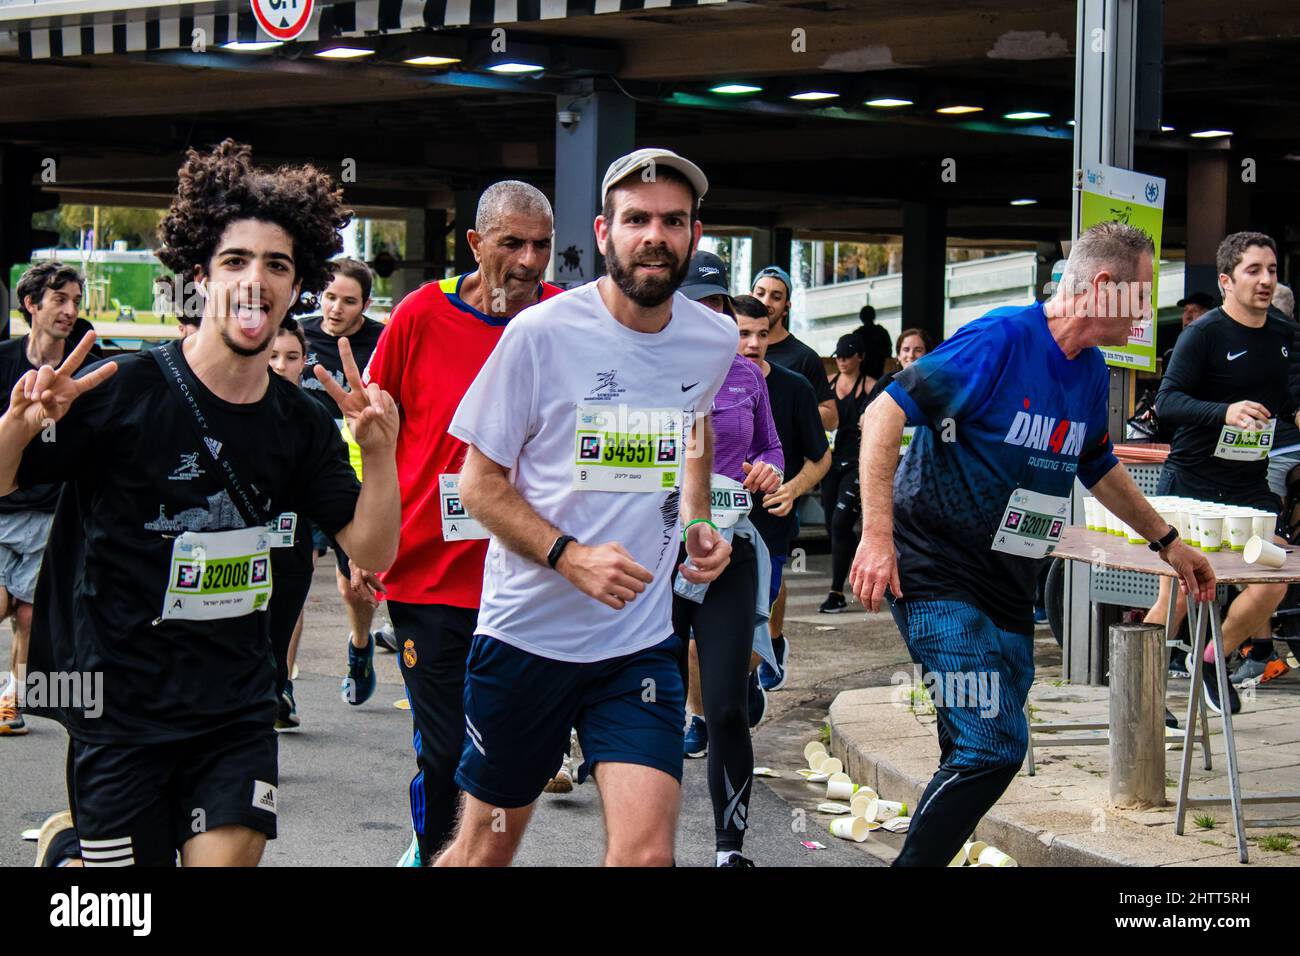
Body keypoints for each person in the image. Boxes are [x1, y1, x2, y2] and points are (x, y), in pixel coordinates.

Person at [3, 139, 400, 867]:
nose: (257, 280)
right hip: (117, 705)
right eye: (235, 261)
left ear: (298, 285)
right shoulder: (119, 390)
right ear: (199, 276)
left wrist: (378, 453)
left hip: (236, 705)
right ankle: (75, 860)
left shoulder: (301, 420)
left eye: (277, 265)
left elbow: (372, 552)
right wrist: (17, 428)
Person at [849, 221, 1215, 867]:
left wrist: (1168, 543)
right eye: (1142, 294)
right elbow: (884, 411)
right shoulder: (1000, 339)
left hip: (1009, 585)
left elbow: (1096, 464)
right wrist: (876, 537)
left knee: (971, 743)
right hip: (936, 573)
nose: (1147, 312)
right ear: (1104, 286)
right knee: (992, 745)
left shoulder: (1091, 370)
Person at [435, 147, 736, 867]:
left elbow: (693, 425)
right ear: (604, 233)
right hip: (525, 642)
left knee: (647, 856)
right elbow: (478, 485)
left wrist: (697, 518)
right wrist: (569, 557)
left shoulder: (714, 338)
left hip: (637, 644)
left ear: (695, 234)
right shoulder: (540, 335)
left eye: (672, 220)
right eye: (636, 220)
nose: (654, 235)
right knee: (484, 852)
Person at [362, 180, 562, 867]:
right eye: (513, 243)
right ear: (477, 245)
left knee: (504, 748)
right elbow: (375, 432)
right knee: (446, 749)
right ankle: (432, 851)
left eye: (541, 244)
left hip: (531, 577)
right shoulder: (420, 315)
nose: (530, 260)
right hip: (427, 575)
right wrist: (361, 531)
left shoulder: (565, 319)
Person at [1146, 232, 1299, 713]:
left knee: (1275, 578)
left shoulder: (1285, 335)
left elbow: (1293, 401)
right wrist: (1224, 412)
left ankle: (1212, 658)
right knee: (1177, 594)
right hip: (1191, 480)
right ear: (1226, 280)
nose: (1266, 280)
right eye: (1254, 270)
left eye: (1272, 270)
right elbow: (1166, 403)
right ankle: (1141, 697)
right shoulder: (1203, 333)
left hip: (1248, 481)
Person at [673, 264, 783, 867]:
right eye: (700, 305)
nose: (713, 318)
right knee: (654, 701)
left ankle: (728, 849)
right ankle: (644, 844)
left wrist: (768, 468)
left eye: (720, 305)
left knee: (725, 705)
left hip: (730, 548)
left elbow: (771, 446)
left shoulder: (748, 375)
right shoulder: (648, 371)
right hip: (660, 554)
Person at [299, 258, 394, 703]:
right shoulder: (296, 334)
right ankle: (279, 685)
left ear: (366, 304)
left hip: (352, 476)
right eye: (330, 296)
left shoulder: (382, 341)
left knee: (353, 582)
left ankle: (360, 644)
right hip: (296, 472)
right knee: (288, 574)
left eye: (349, 301)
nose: (336, 308)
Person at [0, 263, 85, 736]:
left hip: (50, 513)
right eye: (59, 299)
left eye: (75, 300)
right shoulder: (4, 361)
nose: (70, 310)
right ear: (31, 304)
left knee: (30, 613)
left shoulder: (82, 370)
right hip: (1, 506)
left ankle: (11, 699)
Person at [733, 294, 831, 693]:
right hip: (711, 524)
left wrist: (792, 489)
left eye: (761, 334)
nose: (754, 344)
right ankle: (705, 715)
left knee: (751, 620)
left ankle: (742, 684)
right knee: (696, 637)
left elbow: (821, 457)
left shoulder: (794, 387)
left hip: (768, 526)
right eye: (743, 334)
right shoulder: (702, 382)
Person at [266, 318, 315, 729]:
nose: (281, 365)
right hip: (236, 552)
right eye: (273, 356)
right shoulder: (233, 406)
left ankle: (281, 686)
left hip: (293, 544)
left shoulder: (311, 417)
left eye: (292, 357)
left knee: (280, 626)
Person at [818, 333, 874, 614]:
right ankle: (858, 558)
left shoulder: (871, 387)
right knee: (832, 526)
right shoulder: (827, 385)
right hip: (830, 463)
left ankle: (836, 591)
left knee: (840, 523)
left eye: (847, 355)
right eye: (838, 355)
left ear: (860, 357)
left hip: (858, 463)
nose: (841, 360)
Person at [751, 265, 837, 430]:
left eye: (776, 297)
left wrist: (791, 407)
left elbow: (832, 419)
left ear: (786, 307)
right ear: (750, 296)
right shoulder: (732, 350)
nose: (765, 302)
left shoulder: (805, 357)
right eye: (760, 294)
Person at [852, 305, 893, 381]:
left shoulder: (857, 334)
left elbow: (851, 354)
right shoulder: (882, 332)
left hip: (860, 374)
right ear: (874, 316)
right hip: (878, 372)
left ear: (861, 317)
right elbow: (889, 352)